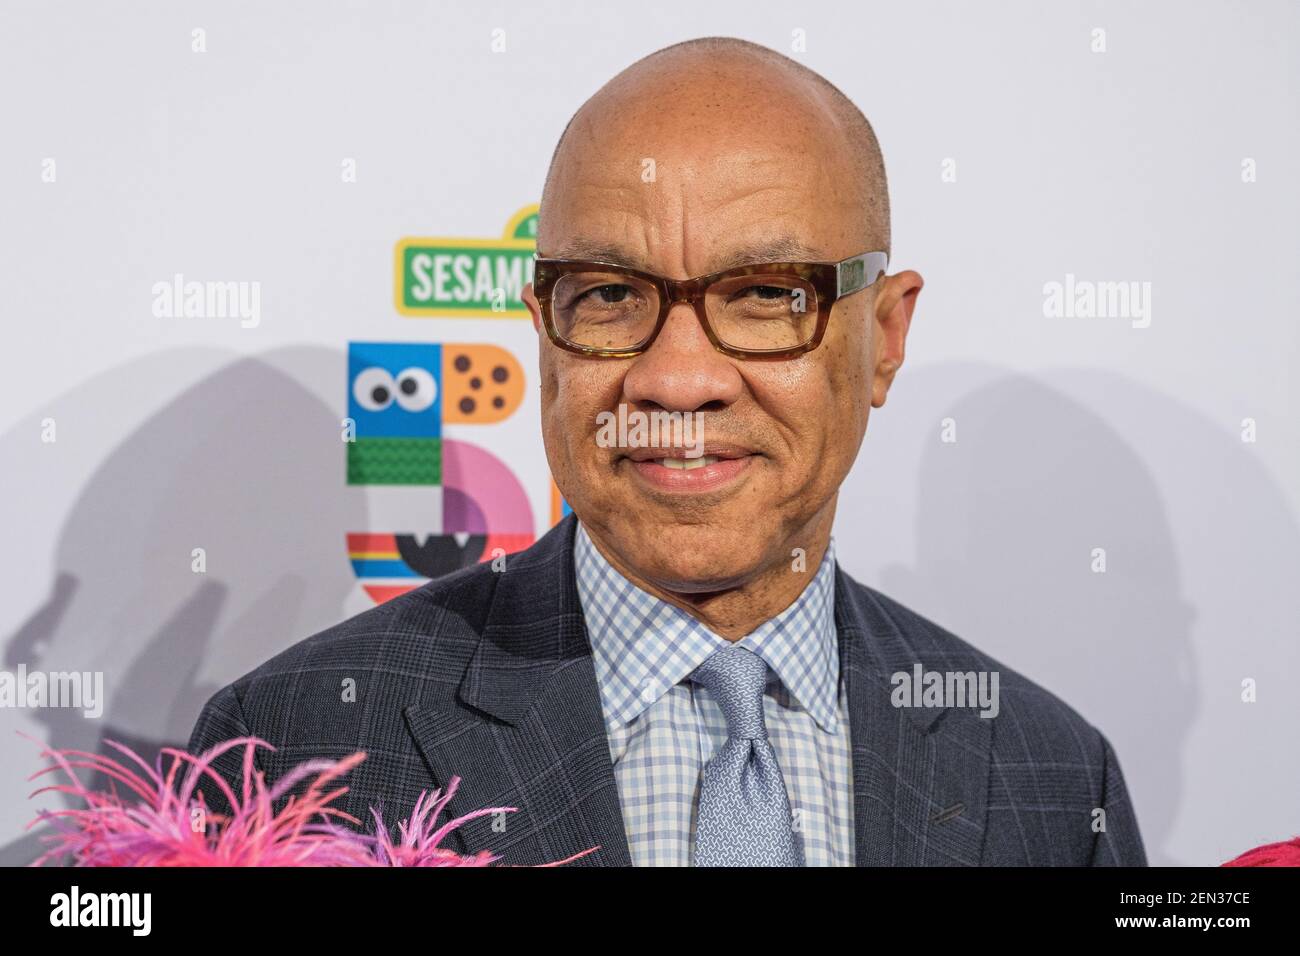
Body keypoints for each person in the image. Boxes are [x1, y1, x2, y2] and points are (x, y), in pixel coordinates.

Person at [187, 36, 1146, 866]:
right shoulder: (294, 746)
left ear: (885, 338)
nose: (678, 379)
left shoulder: (1050, 777)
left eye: (769, 294)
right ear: (542, 332)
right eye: (608, 295)